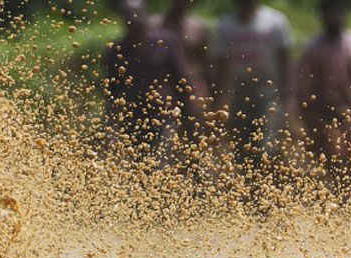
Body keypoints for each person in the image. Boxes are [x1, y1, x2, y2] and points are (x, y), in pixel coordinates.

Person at [103, 0, 201, 152]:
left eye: (136, 14)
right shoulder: (117, 51)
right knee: (136, 166)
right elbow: (111, 92)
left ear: (144, 15)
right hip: (131, 118)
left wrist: (190, 113)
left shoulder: (165, 42)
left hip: (163, 115)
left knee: (161, 162)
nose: (133, 19)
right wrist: (110, 129)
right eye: (129, 15)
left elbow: (181, 78)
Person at [210, 0, 294, 167]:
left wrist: (289, 97)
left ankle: (268, 187)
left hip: (268, 94)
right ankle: (246, 189)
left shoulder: (275, 22)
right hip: (238, 96)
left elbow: (286, 62)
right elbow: (220, 66)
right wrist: (219, 100)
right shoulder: (226, 25)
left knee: (268, 147)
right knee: (241, 149)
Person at [296, 0, 351, 168]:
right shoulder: (313, 48)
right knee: (334, 159)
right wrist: (309, 120)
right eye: (329, 13)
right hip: (324, 113)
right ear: (323, 16)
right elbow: (305, 88)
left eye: (337, 12)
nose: (333, 17)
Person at [150, 0, 212, 103]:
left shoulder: (198, 29)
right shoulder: (153, 27)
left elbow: (207, 66)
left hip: (194, 91)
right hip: (163, 91)